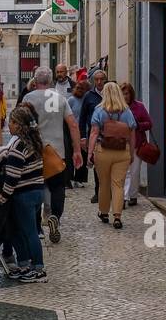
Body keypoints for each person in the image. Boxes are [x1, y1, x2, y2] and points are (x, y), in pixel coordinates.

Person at [23, 67, 83, 242]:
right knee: (57, 188)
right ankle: (55, 216)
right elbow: (73, 125)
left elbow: (20, 123)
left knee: (34, 187)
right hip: (56, 151)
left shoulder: (28, 98)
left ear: (35, 81)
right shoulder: (60, 98)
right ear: (50, 81)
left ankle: (36, 228)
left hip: (33, 151)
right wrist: (77, 150)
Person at [0, 104, 47, 282]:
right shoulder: (34, 141)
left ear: (18, 125)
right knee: (23, 230)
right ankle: (25, 265)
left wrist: (4, 196)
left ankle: (37, 269)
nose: (9, 125)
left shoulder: (17, 144)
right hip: (37, 190)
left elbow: (13, 176)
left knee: (27, 231)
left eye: (11, 122)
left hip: (23, 193)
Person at [87, 81, 136, 229]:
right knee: (118, 185)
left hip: (103, 151)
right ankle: (117, 216)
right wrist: (131, 152)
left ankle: (103, 212)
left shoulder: (99, 110)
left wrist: (90, 152)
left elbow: (94, 133)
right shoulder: (127, 111)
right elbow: (132, 135)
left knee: (104, 183)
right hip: (122, 151)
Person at [121, 82, 153, 207]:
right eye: (123, 93)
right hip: (121, 144)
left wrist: (138, 125)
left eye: (127, 93)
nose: (125, 96)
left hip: (137, 143)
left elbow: (149, 123)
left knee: (134, 171)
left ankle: (133, 195)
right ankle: (123, 197)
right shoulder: (118, 107)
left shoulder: (139, 106)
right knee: (124, 172)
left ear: (131, 94)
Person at [79, 69, 107, 202]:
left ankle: (109, 191)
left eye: (102, 79)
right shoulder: (89, 96)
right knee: (96, 163)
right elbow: (82, 118)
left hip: (110, 134)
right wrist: (83, 137)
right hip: (94, 134)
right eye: (97, 79)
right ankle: (98, 191)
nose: (99, 82)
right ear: (93, 81)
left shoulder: (110, 94)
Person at [68, 79, 91, 185]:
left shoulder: (87, 100)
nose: (80, 90)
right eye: (79, 88)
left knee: (83, 154)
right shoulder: (71, 100)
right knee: (72, 153)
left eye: (83, 89)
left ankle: (80, 178)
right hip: (73, 130)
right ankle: (71, 177)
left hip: (84, 131)